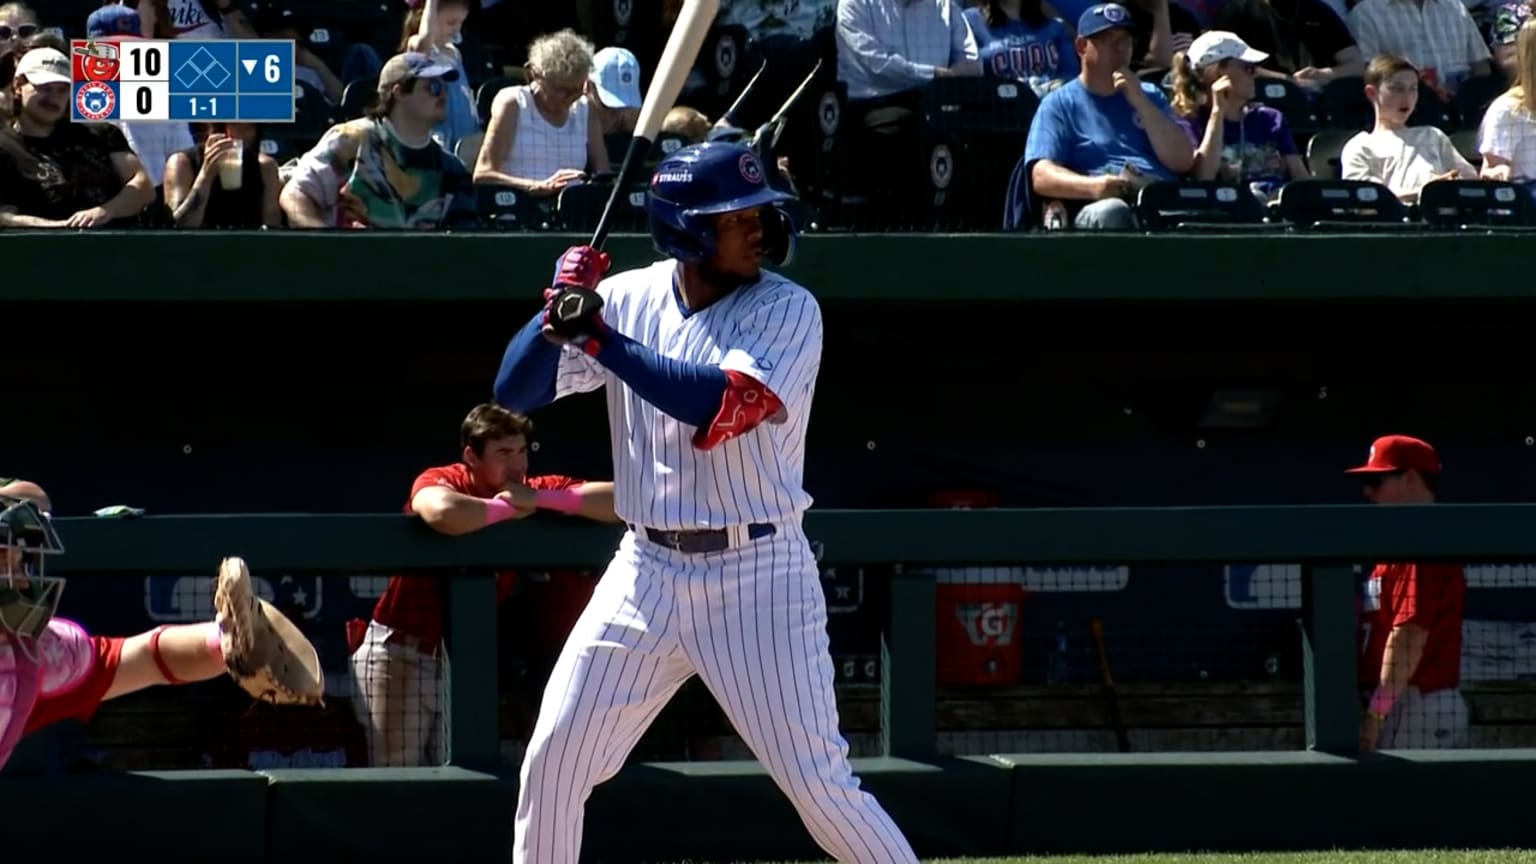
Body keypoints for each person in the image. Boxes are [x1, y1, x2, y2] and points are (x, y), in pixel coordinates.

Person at [491, 140, 918, 864]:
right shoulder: (625, 298)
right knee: (554, 762)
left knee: (819, 786)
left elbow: (717, 406)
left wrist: (597, 339)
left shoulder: (788, 308)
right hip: (645, 571)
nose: (757, 227)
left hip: (757, 573)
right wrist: (550, 314)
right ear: (687, 228)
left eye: (759, 212)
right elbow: (514, 391)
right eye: (735, 216)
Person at [346, 403, 617, 767]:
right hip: (399, 654)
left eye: (522, 451)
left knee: (465, 773)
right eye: (504, 453)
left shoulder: (531, 490)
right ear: (471, 456)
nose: (518, 464)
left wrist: (539, 499)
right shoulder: (448, 478)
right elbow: (442, 511)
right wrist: (507, 508)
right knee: (400, 776)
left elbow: (620, 502)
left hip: (461, 663)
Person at [0, 484, 322, 772]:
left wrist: (223, 641)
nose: (23, 581)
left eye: (19, 563)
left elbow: (141, 659)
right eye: (4, 564)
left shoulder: (31, 654)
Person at [1344, 435, 1469, 751]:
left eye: (1377, 480)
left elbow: (1409, 636)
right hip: (1400, 702)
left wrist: (1375, 715)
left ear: (1411, 477)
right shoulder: (1401, 541)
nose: (1368, 492)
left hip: (1415, 704)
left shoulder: (1423, 540)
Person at [279, 52, 478, 230]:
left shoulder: (452, 169)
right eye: (433, 87)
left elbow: (463, 238)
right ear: (399, 92)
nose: (443, 95)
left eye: (445, 88)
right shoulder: (351, 140)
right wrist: (324, 242)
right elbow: (295, 194)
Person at [1170, 31, 1309, 202]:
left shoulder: (1271, 119)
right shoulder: (1188, 120)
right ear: (1218, 73)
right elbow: (1203, 177)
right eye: (1248, 69)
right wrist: (1217, 112)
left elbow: (1302, 180)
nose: (1255, 75)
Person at [1339, 53, 1477, 204]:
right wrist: (1428, 191)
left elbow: (1469, 180)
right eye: (1397, 89)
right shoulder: (1361, 147)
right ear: (1372, 93)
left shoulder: (1432, 136)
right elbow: (1370, 200)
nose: (1407, 98)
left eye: (1413, 88)